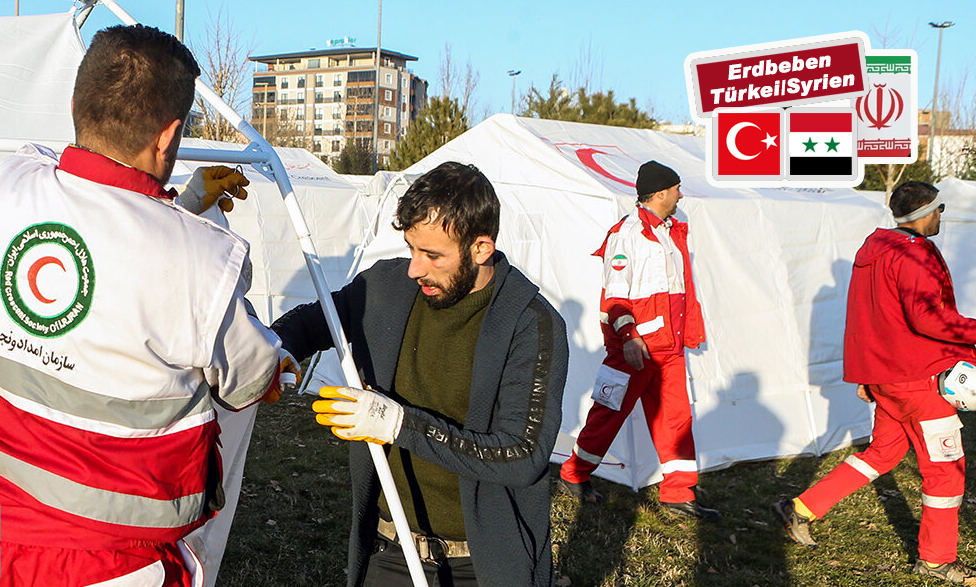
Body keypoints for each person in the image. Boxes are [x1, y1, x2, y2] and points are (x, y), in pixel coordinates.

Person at [0, 25, 297, 587]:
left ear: (73, 105)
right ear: (170, 135)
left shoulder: (9, 184)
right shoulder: (201, 258)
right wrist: (184, 219)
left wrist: (177, 204)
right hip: (112, 563)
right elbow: (252, 378)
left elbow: (97, 224)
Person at [271, 161, 568, 587]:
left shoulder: (531, 325)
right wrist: (277, 349)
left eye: (432, 255)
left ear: (481, 248)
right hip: (391, 548)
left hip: (481, 563)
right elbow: (315, 321)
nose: (414, 268)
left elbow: (523, 456)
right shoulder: (386, 288)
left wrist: (399, 424)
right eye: (412, 248)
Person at [772, 181, 976, 586]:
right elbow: (927, 319)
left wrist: (867, 375)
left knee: (884, 453)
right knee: (945, 470)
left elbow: (864, 318)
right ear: (925, 210)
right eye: (940, 209)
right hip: (920, 379)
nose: (943, 216)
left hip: (889, 377)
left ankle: (800, 508)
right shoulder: (913, 254)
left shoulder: (874, 251)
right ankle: (937, 560)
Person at [558, 160, 716, 521]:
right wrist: (629, 336)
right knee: (607, 416)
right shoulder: (627, 234)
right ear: (660, 193)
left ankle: (678, 492)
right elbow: (614, 294)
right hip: (636, 350)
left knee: (676, 420)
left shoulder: (669, 231)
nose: (680, 194)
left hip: (669, 348)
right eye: (676, 188)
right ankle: (573, 473)